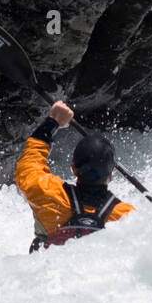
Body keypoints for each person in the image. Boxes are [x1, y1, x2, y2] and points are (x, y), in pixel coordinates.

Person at [14, 101, 135, 252]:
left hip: (48, 273)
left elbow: (27, 166)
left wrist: (53, 121)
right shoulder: (127, 217)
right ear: (110, 176)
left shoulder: (48, 194)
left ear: (73, 168)